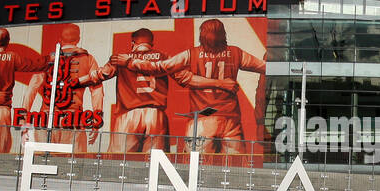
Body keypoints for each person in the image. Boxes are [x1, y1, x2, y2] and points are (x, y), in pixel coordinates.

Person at [114, 18, 267, 154]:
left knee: (196, 168)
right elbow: (264, 67)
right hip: (231, 119)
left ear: (202, 35)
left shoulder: (191, 54)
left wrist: (130, 62)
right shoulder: (236, 53)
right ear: (223, 35)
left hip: (202, 119)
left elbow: (161, 67)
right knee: (235, 167)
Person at [21, 24, 104, 153]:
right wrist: (96, 121)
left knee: (41, 164)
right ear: (78, 39)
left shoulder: (48, 60)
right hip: (73, 118)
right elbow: (97, 91)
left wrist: (23, 121)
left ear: (60, 39)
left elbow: (31, 89)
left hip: (45, 117)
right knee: (73, 167)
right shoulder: (88, 59)